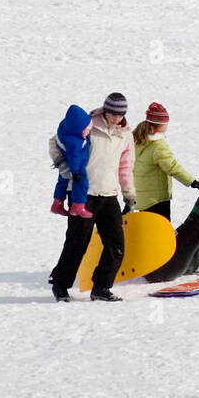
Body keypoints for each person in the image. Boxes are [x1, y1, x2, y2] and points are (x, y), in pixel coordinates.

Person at [48, 92, 136, 302]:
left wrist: (129, 194)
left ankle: (101, 288)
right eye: (112, 113)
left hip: (109, 194)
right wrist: (62, 163)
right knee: (78, 243)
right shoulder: (88, 125)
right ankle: (60, 285)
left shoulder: (126, 135)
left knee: (116, 246)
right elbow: (56, 141)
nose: (116, 118)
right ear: (105, 110)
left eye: (120, 115)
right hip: (82, 194)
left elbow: (126, 167)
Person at [132, 102, 199, 221]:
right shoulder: (158, 145)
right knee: (161, 231)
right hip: (156, 199)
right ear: (161, 124)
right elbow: (172, 167)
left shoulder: (140, 141)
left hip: (142, 197)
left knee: (149, 228)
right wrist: (193, 182)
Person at [48, 104, 92, 217]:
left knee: (63, 180)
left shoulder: (66, 129)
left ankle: (57, 203)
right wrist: (76, 171)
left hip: (66, 162)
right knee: (81, 182)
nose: (88, 131)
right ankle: (78, 206)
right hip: (77, 165)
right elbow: (74, 156)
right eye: (87, 129)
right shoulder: (75, 141)